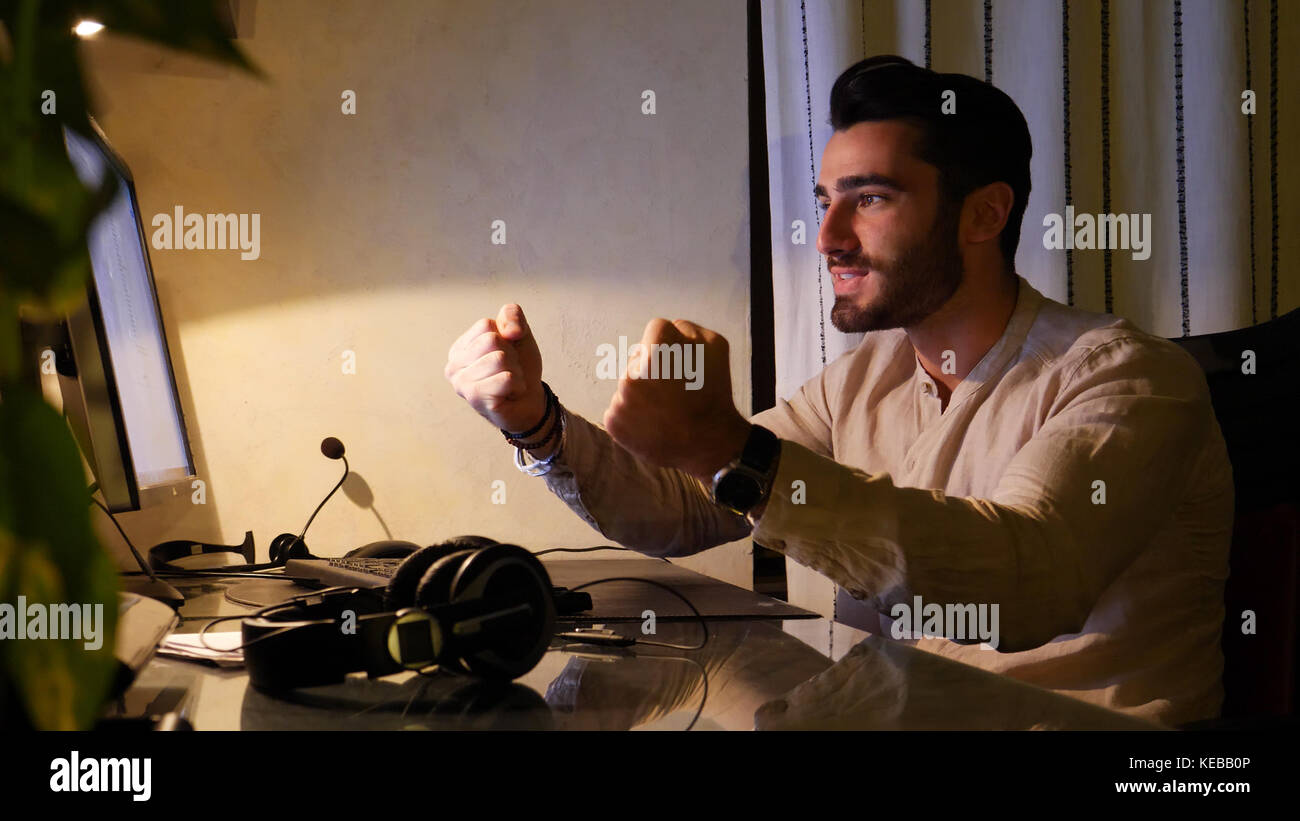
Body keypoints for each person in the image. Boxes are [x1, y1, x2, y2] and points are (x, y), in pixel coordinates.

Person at [444, 56, 1233, 726]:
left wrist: (733, 448)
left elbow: (1028, 579)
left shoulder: (1129, 378)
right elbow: (685, 506)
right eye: (825, 202)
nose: (826, 237)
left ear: (985, 213)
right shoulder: (863, 379)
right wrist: (536, 423)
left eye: (871, 198)